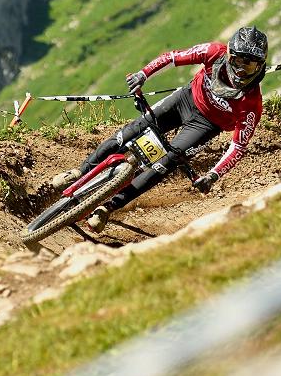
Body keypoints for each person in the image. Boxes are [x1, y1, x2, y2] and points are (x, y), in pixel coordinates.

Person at [50, 26, 268, 232]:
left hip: (206, 126)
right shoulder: (213, 51)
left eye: (248, 64)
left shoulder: (252, 104)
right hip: (185, 100)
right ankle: (80, 171)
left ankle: (107, 208)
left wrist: (213, 175)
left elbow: (238, 147)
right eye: (238, 60)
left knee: (167, 163)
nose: (240, 69)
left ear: (259, 66)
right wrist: (143, 74)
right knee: (131, 132)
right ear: (229, 54)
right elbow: (172, 58)